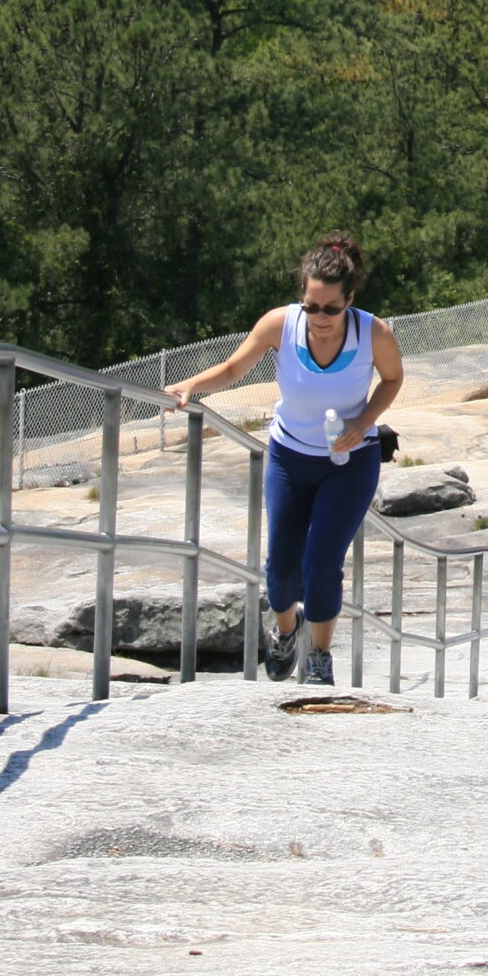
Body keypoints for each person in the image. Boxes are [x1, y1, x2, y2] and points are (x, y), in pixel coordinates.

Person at [166, 234, 402, 690]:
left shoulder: (374, 332)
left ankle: (319, 654)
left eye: (331, 309)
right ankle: (286, 632)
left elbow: (392, 379)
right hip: (291, 456)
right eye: (312, 306)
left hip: (350, 461)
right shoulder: (281, 324)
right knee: (281, 569)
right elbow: (236, 368)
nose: (320, 319)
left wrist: (365, 419)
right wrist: (191, 385)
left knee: (321, 563)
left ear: (349, 301)